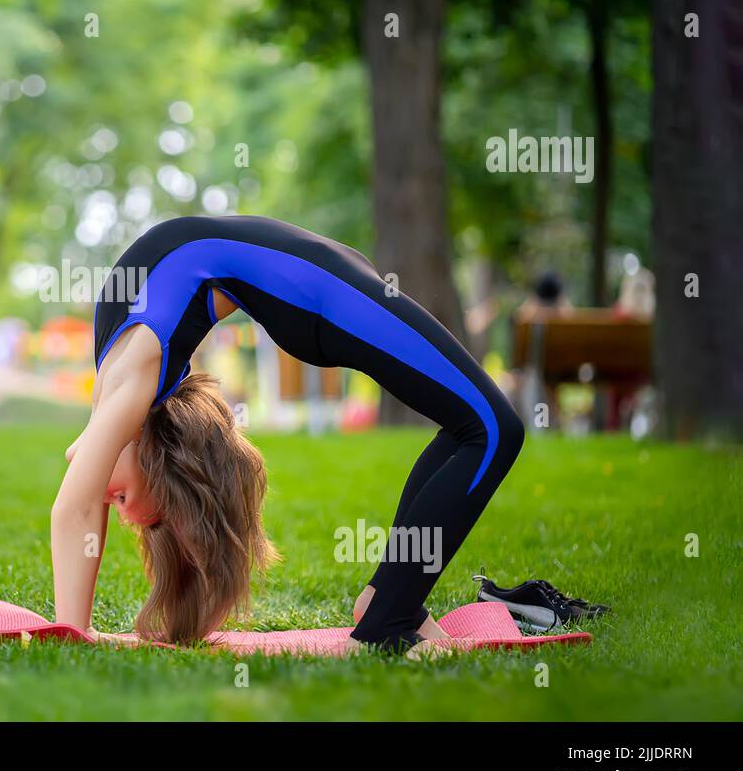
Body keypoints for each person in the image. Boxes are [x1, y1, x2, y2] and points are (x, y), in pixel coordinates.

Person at [53, 215, 525, 655]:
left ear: (159, 459)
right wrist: (81, 629)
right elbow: (83, 495)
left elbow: (75, 502)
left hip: (319, 289)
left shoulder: (125, 385)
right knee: (493, 430)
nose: (117, 506)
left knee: (479, 428)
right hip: (318, 293)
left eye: (117, 500)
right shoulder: (130, 383)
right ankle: (390, 614)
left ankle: (390, 603)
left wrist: (74, 633)